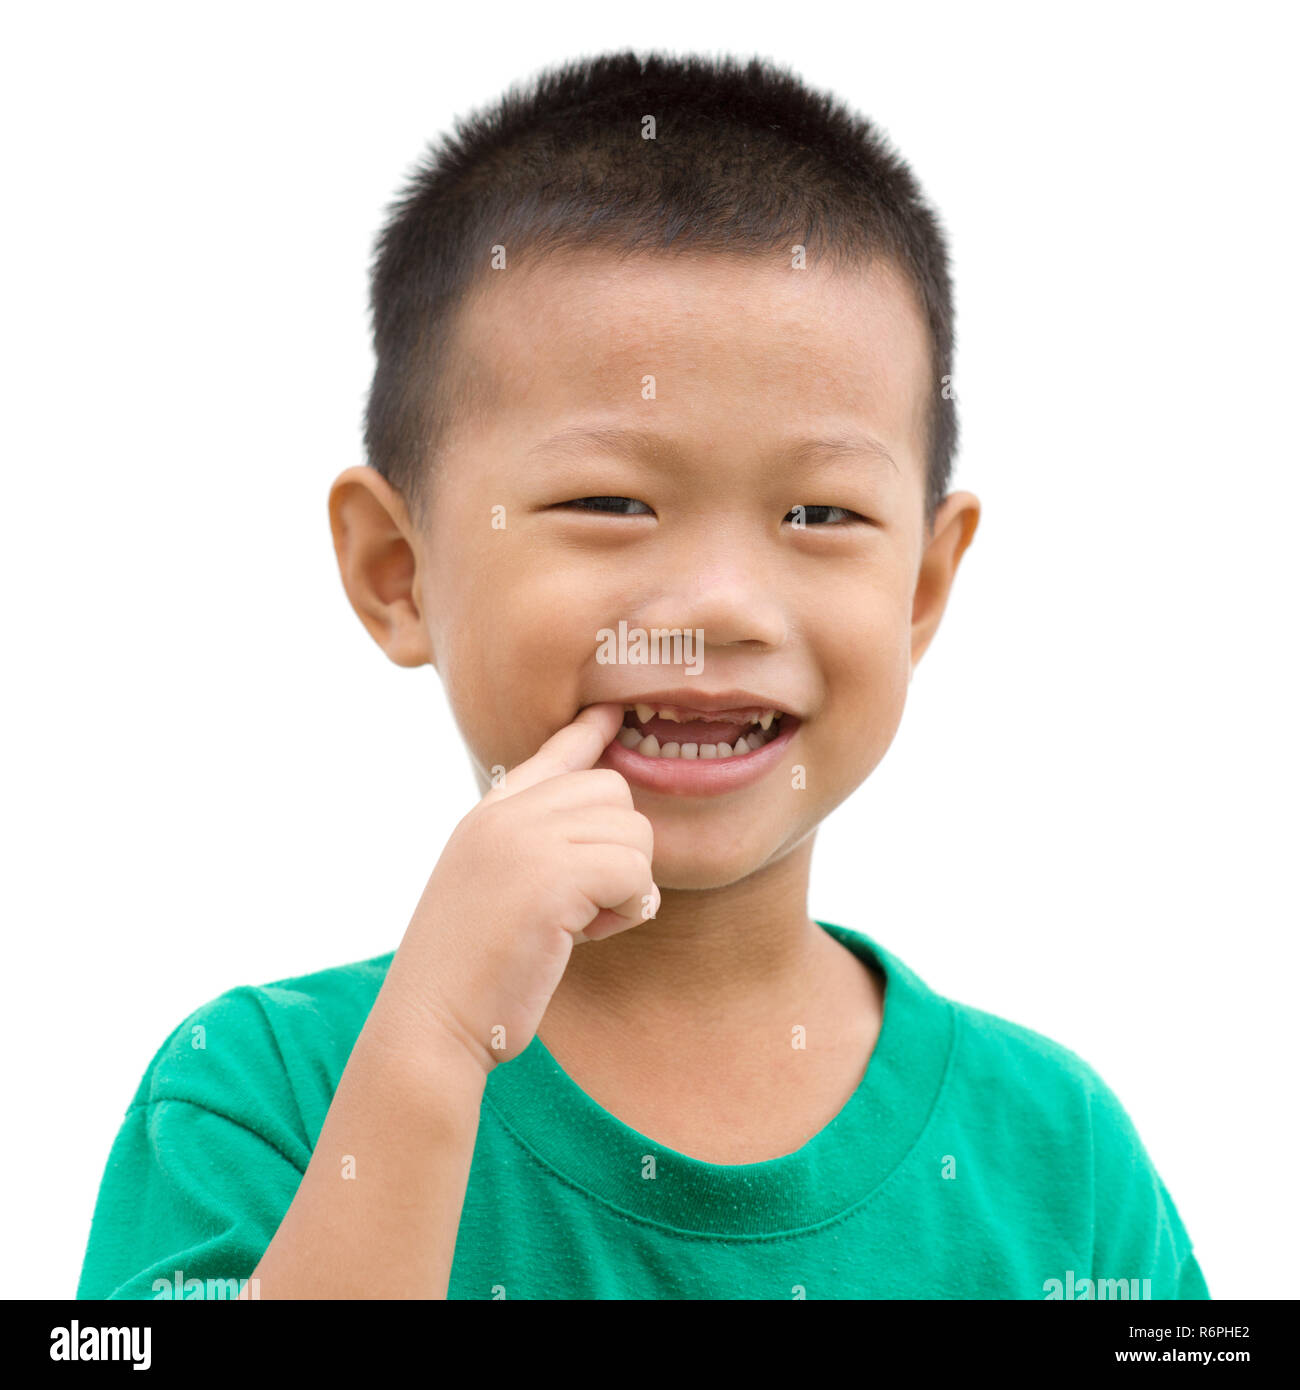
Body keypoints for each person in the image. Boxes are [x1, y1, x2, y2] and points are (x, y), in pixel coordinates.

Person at [77, 50, 1208, 1301]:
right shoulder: (253, 1094)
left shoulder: (1066, 1160)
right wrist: (435, 1044)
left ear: (922, 590)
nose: (720, 604)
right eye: (610, 500)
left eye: (822, 513)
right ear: (399, 570)